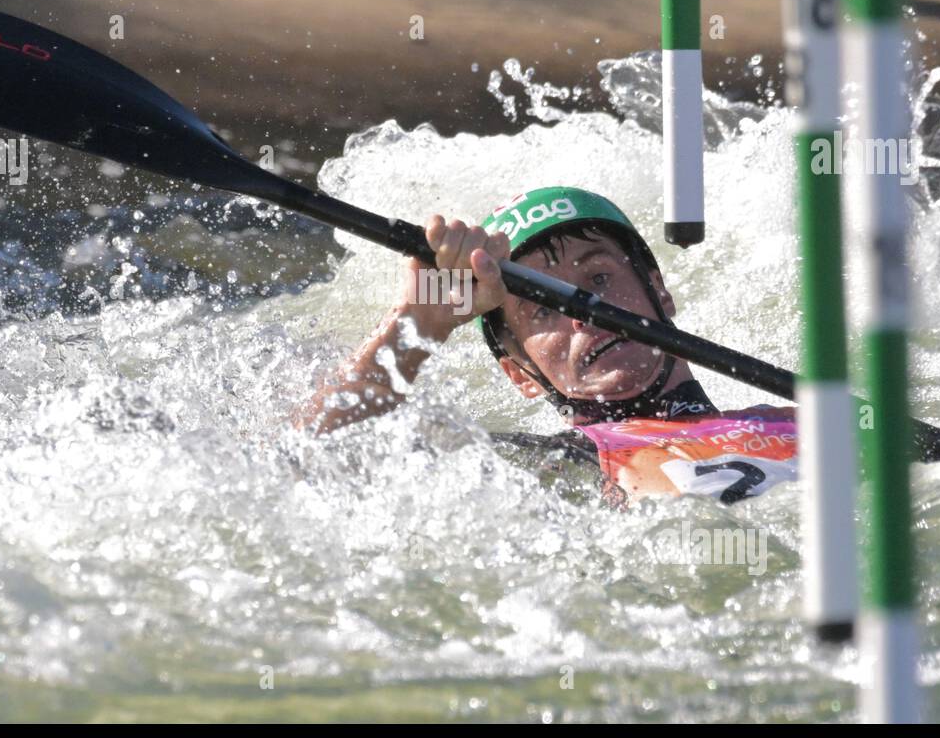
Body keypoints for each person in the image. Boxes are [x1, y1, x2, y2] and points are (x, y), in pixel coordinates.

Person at [293, 186, 798, 505]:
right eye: (542, 310)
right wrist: (420, 323)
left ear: (659, 291)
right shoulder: (542, 471)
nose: (582, 314)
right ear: (518, 373)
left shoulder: (809, 421)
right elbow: (310, 462)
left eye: (599, 277)